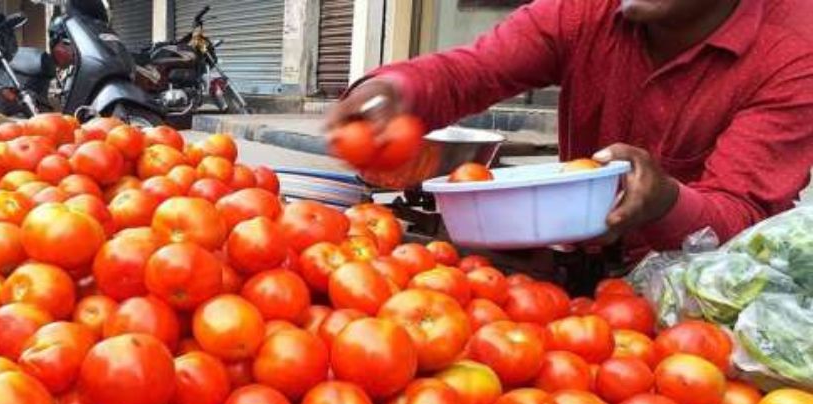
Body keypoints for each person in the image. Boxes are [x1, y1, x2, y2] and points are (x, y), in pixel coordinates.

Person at [329, 0, 813, 253]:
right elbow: (473, 71)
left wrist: (663, 199)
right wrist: (394, 91)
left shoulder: (793, 52)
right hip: (572, 290)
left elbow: (743, 216)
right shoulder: (583, 11)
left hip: (693, 308)